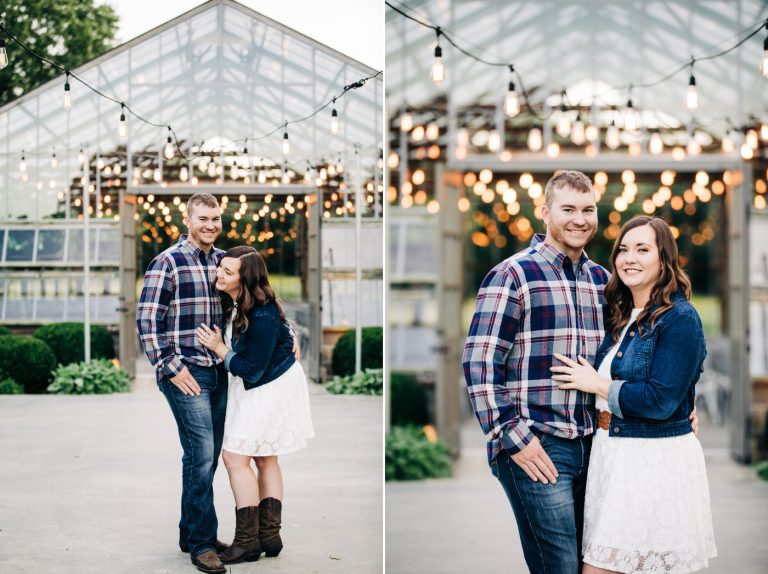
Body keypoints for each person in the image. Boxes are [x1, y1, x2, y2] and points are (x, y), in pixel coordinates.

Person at [551, 216, 716, 573]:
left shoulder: (679, 318)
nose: (630, 258)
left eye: (643, 249)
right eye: (623, 250)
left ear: (664, 259)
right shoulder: (619, 315)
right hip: (611, 455)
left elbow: (661, 400)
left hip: (652, 460)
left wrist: (595, 383)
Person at [463, 170, 609, 574]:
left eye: (588, 209)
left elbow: (629, 358)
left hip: (597, 444)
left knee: (595, 564)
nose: (580, 219)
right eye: (568, 209)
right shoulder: (513, 275)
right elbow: (480, 363)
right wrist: (515, 439)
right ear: (545, 212)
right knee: (559, 566)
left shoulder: (604, 281)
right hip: (538, 442)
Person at [195, 245, 314, 565]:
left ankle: (248, 541)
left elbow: (251, 369)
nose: (219, 273)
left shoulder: (261, 313)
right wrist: (290, 333)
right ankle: (269, 537)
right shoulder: (244, 301)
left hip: (269, 386)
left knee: (235, 457)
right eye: (220, 267)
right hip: (264, 383)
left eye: (228, 272)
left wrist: (220, 348)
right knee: (264, 457)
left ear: (245, 279)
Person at [136, 193, 229, 574]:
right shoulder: (167, 262)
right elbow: (147, 321)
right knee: (201, 453)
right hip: (185, 372)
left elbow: (253, 303)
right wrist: (171, 367)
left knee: (209, 456)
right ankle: (203, 544)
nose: (210, 225)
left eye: (216, 218)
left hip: (219, 371)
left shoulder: (225, 261)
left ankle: (190, 532)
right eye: (203, 218)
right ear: (188, 219)